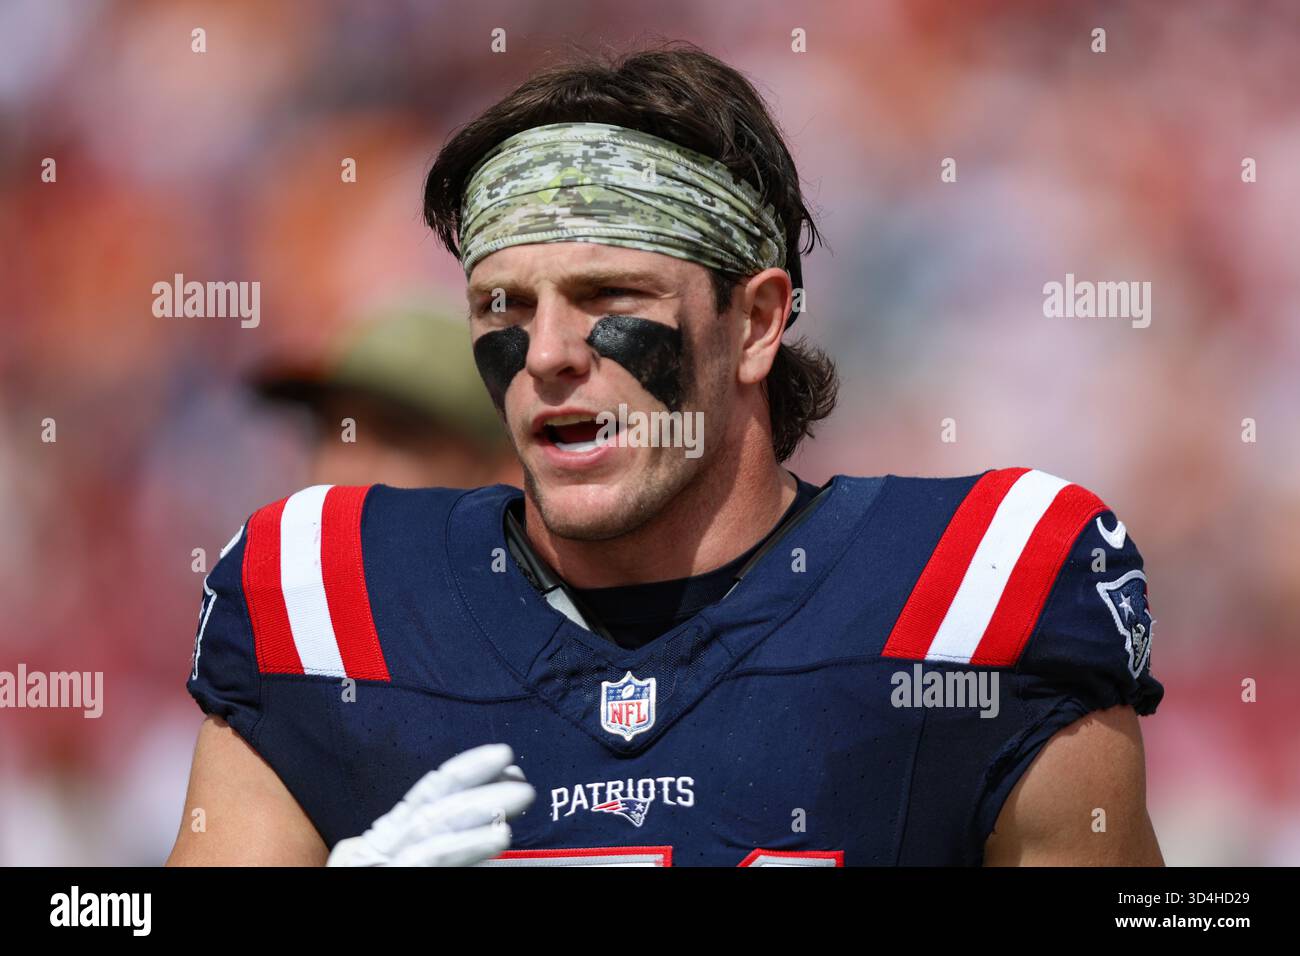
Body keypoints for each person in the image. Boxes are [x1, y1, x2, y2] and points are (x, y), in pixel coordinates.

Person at [167, 44, 1163, 867]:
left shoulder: (982, 585)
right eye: (502, 307)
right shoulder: (322, 592)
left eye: (610, 298)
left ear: (758, 321)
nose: (549, 352)